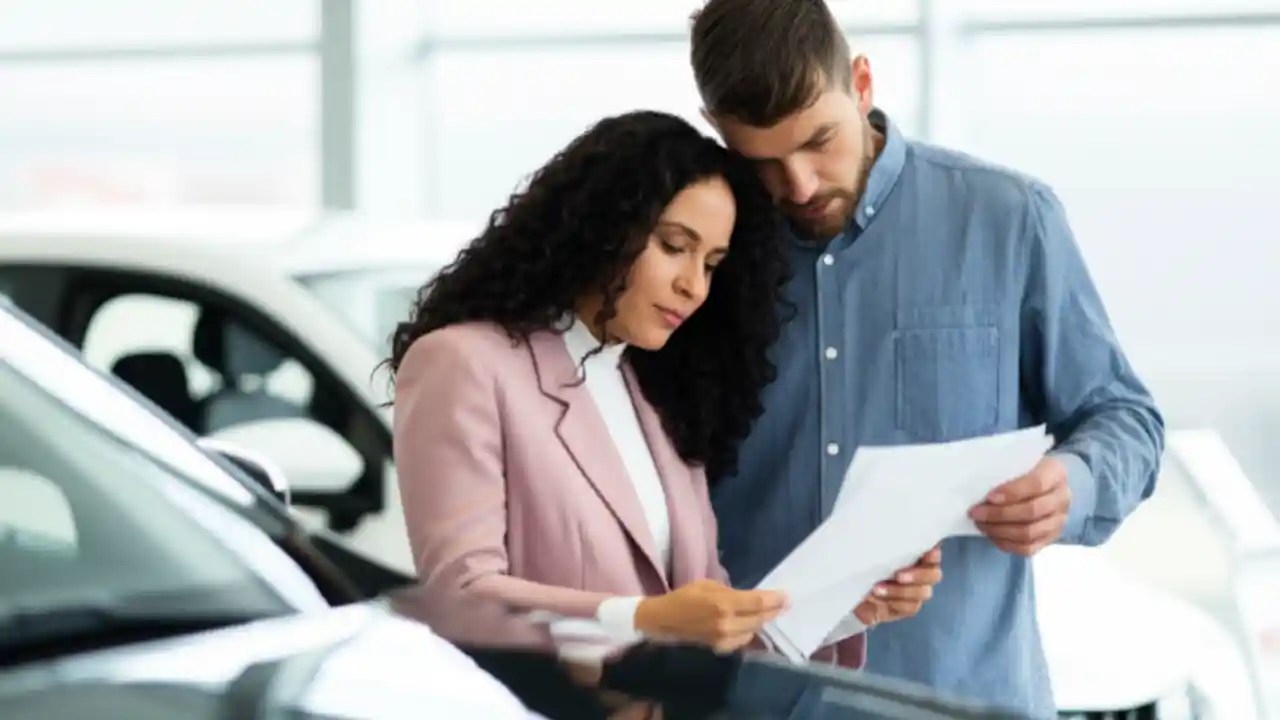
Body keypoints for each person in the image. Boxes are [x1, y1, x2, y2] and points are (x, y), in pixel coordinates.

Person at [687, 1, 1166, 716]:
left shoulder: (1009, 218)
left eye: (819, 141)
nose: (800, 186)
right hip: (756, 703)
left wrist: (1075, 483)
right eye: (764, 162)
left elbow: (1126, 418)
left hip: (961, 697)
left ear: (861, 83)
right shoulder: (700, 254)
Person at [388, 111, 942, 661]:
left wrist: (850, 604)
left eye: (712, 264)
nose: (693, 286)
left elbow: (708, 628)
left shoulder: (656, 394)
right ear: (602, 227)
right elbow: (461, 598)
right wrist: (641, 619)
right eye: (675, 247)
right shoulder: (463, 365)